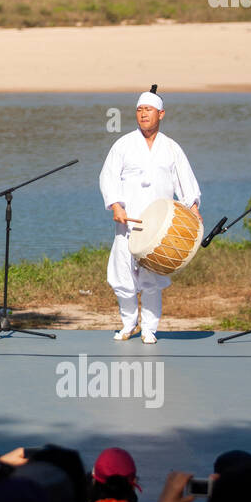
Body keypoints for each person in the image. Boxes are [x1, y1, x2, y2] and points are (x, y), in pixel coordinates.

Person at [99, 84, 201, 344]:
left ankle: (149, 329)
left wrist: (192, 207)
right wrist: (116, 205)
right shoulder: (123, 144)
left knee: (151, 280)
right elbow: (108, 177)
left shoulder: (171, 148)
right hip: (128, 222)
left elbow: (185, 181)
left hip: (160, 226)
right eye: (139, 110)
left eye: (148, 110)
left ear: (161, 114)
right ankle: (128, 324)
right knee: (122, 278)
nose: (143, 114)